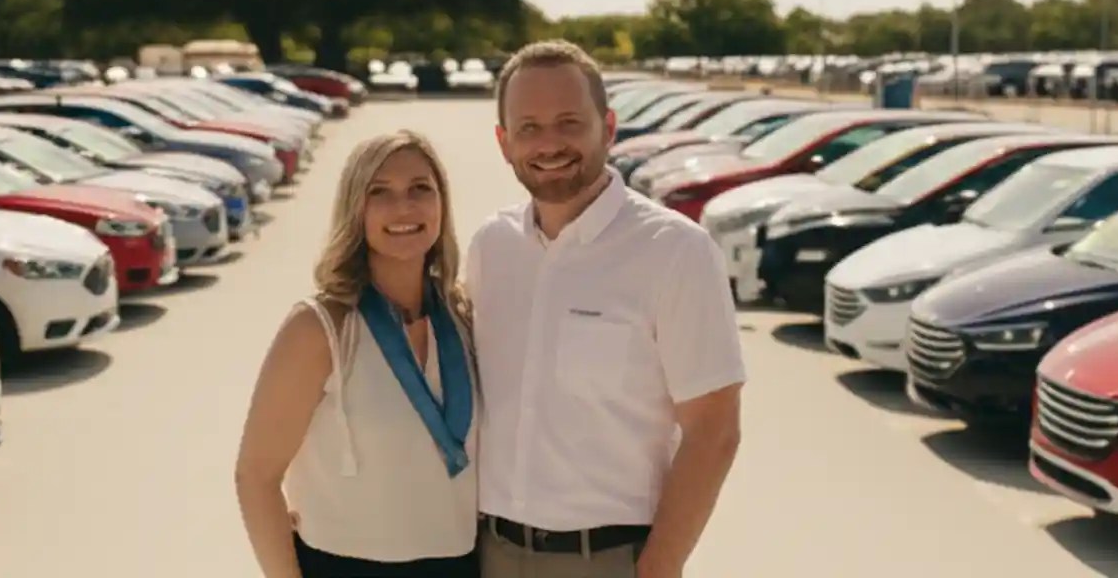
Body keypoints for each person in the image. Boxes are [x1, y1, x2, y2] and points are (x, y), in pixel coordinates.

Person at [467, 40, 746, 578]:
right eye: (528, 128)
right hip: (490, 554)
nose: (549, 144)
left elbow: (714, 431)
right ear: (504, 143)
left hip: (610, 561)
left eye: (569, 122)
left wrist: (658, 568)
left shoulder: (676, 251)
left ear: (609, 127)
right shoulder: (490, 247)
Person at [235, 131, 480, 578]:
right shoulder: (319, 328)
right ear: (356, 210)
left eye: (420, 189)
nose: (403, 208)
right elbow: (256, 475)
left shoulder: (465, 316)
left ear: (441, 203)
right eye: (379, 193)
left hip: (462, 564)